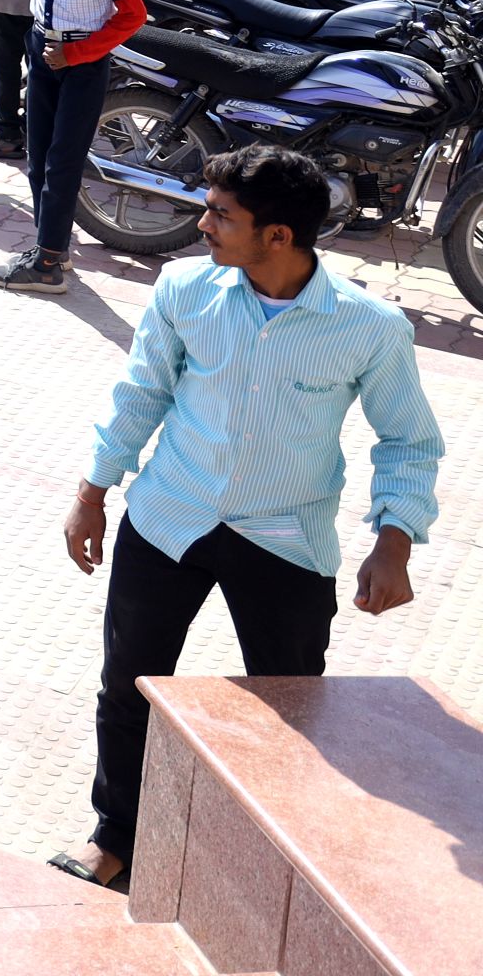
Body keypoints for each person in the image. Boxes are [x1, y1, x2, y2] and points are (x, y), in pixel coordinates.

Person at [46, 144, 442, 894]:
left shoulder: (370, 327)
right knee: (127, 686)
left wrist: (394, 543)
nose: (202, 225)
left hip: (285, 539)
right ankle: (116, 838)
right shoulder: (183, 290)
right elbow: (141, 395)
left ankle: (272, 852)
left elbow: (409, 440)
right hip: (169, 518)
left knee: (289, 705)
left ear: (279, 237)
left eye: (221, 215)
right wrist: (93, 492)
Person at [0, 0, 146, 296]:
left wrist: (75, 53)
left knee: (63, 161)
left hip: (81, 60)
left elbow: (132, 15)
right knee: (36, 154)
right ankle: (51, 246)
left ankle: (48, 266)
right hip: (42, 50)